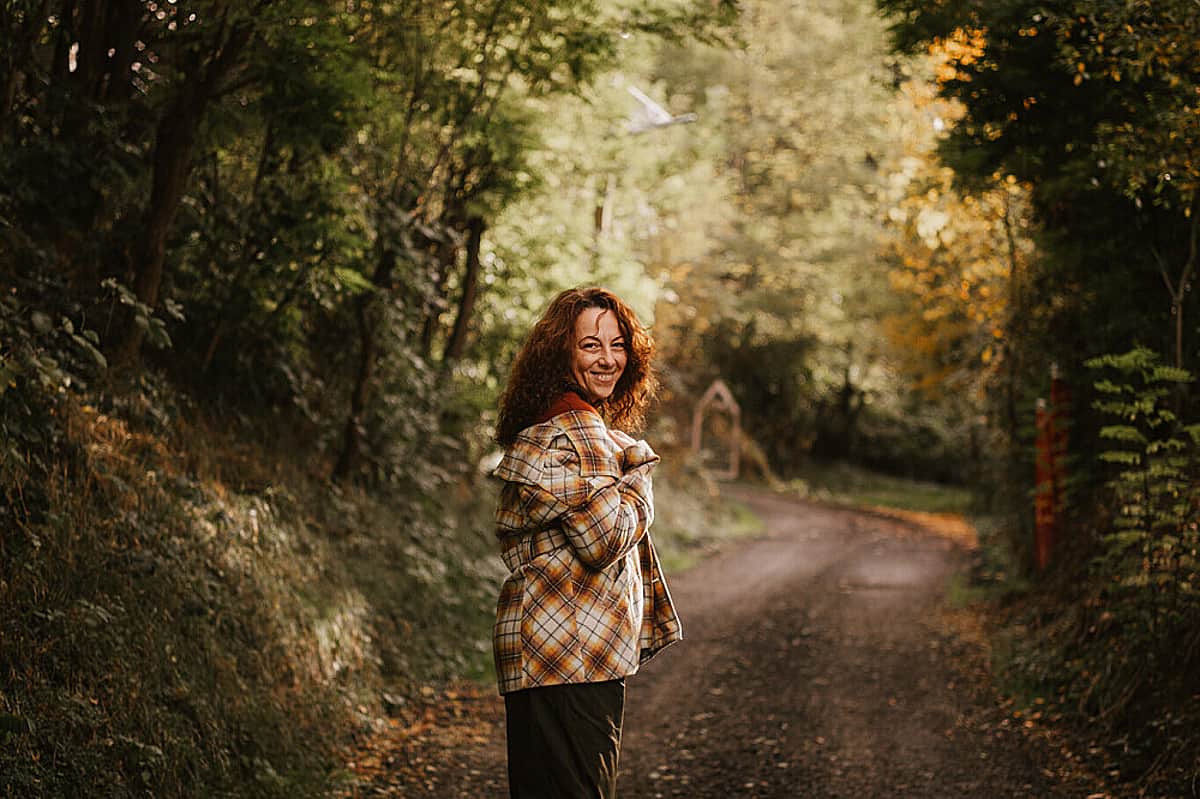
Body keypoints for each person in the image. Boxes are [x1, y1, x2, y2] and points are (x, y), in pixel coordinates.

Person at [491, 286, 683, 798]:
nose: (608, 359)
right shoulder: (582, 428)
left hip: (538, 651)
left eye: (617, 345)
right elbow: (604, 541)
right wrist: (640, 476)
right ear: (563, 353)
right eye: (591, 345)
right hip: (574, 659)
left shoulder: (548, 421)